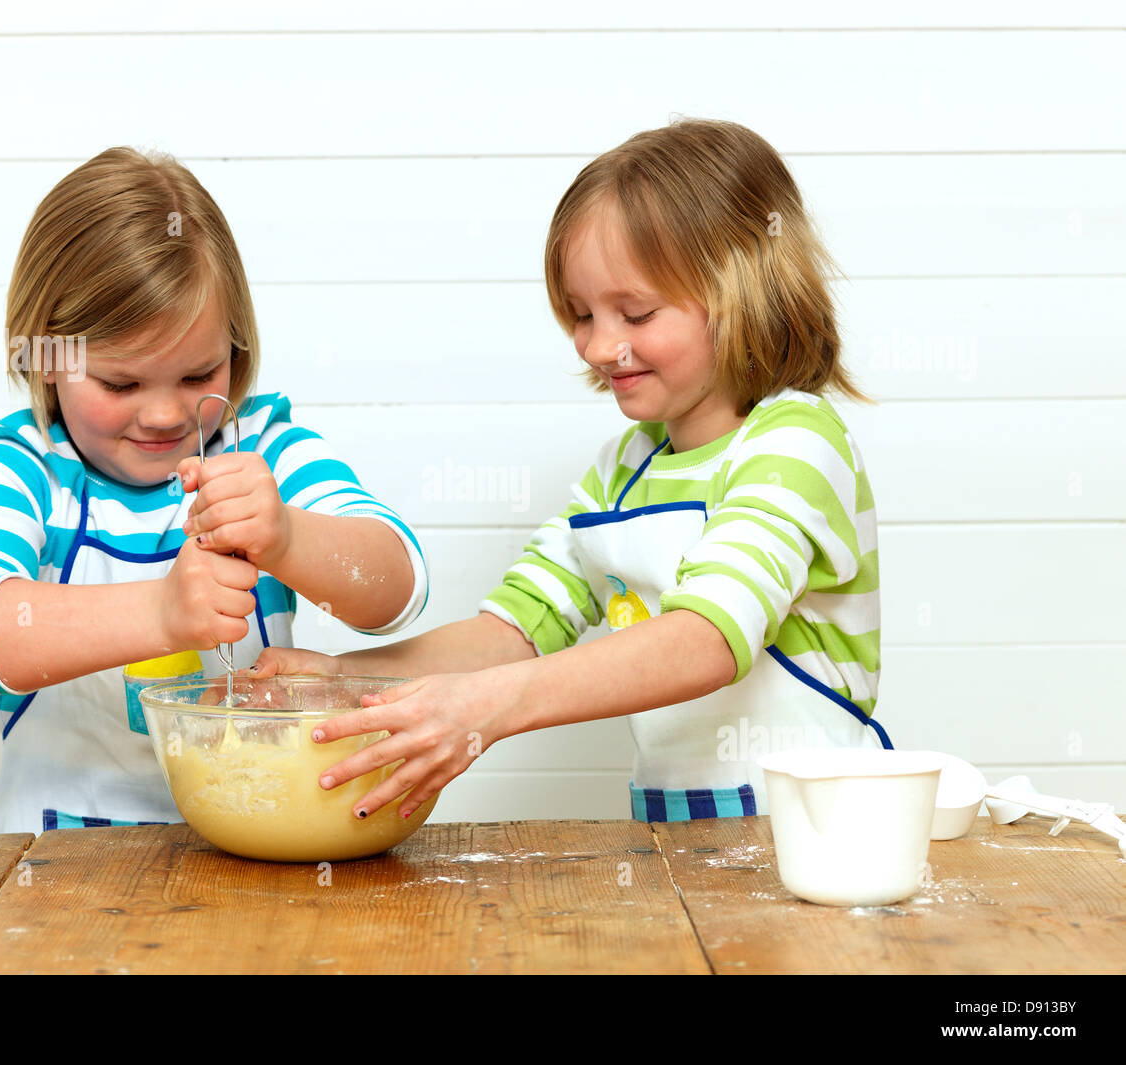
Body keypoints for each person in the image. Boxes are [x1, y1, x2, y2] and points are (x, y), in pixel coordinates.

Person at [251, 118, 890, 824]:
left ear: (746, 287)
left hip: (824, 842)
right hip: (680, 846)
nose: (599, 345)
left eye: (636, 312)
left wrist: (493, 707)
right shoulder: (624, 468)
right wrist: (342, 678)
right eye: (582, 314)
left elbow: (707, 638)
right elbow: (516, 631)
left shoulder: (798, 442)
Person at [0, 147, 427, 835]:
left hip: (252, 847)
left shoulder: (266, 450)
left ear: (237, 350)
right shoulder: (21, 468)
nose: (164, 414)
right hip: (59, 876)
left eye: (197, 375)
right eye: (120, 383)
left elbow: (397, 588)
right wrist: (159, 612)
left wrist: (291, 536)